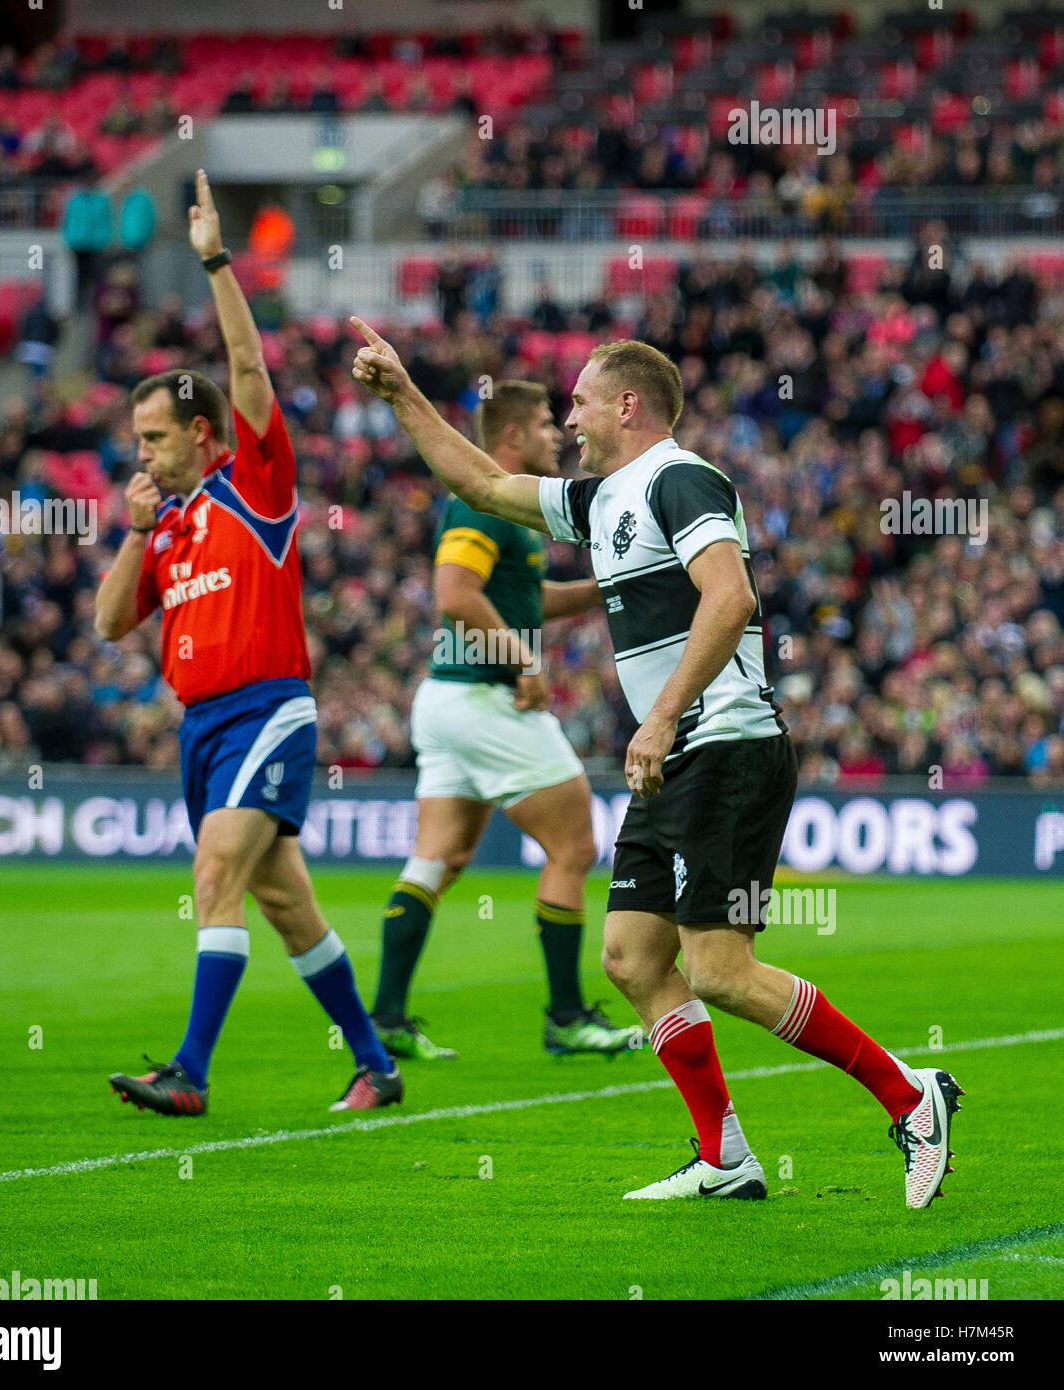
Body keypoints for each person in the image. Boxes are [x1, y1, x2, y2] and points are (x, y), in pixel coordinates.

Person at [350, 321, 964, 1208]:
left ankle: (911, 1097)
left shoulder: (680, 478)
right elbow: (480, 481)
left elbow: (731, 596)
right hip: (672, 758)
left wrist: (663, 714)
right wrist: (402, 393)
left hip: (725, 744)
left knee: (718, 969)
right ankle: (725, 1157)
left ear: (627, 405)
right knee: (634, 959)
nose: (568, 413)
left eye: (582, 398)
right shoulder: (602, 498)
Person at [96, 171, 401, 1116]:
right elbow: (112, 624)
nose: (139, 454)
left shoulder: (253, 488)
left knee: (215, 871)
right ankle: (375, 1066)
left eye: (153, 437)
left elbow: (250, 374)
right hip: (202, 727)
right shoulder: (173, 522)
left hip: (268, 710)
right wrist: (138, 530)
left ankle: (189, 1071)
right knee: (286, 905)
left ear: (199, 431)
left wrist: (217, 261)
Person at [371, 381, 640, 1061]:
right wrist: (522, 661)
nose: (561, 434)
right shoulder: (482, 502)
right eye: (550, 424)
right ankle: (568, 1017)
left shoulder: (510, 511)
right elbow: (454, 595)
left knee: (439, 858)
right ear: (513, 437)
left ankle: (387, 1019)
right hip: (484, 700)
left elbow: (525, 598)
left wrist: (607, 587)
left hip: (448, 702)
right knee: (574, 847)